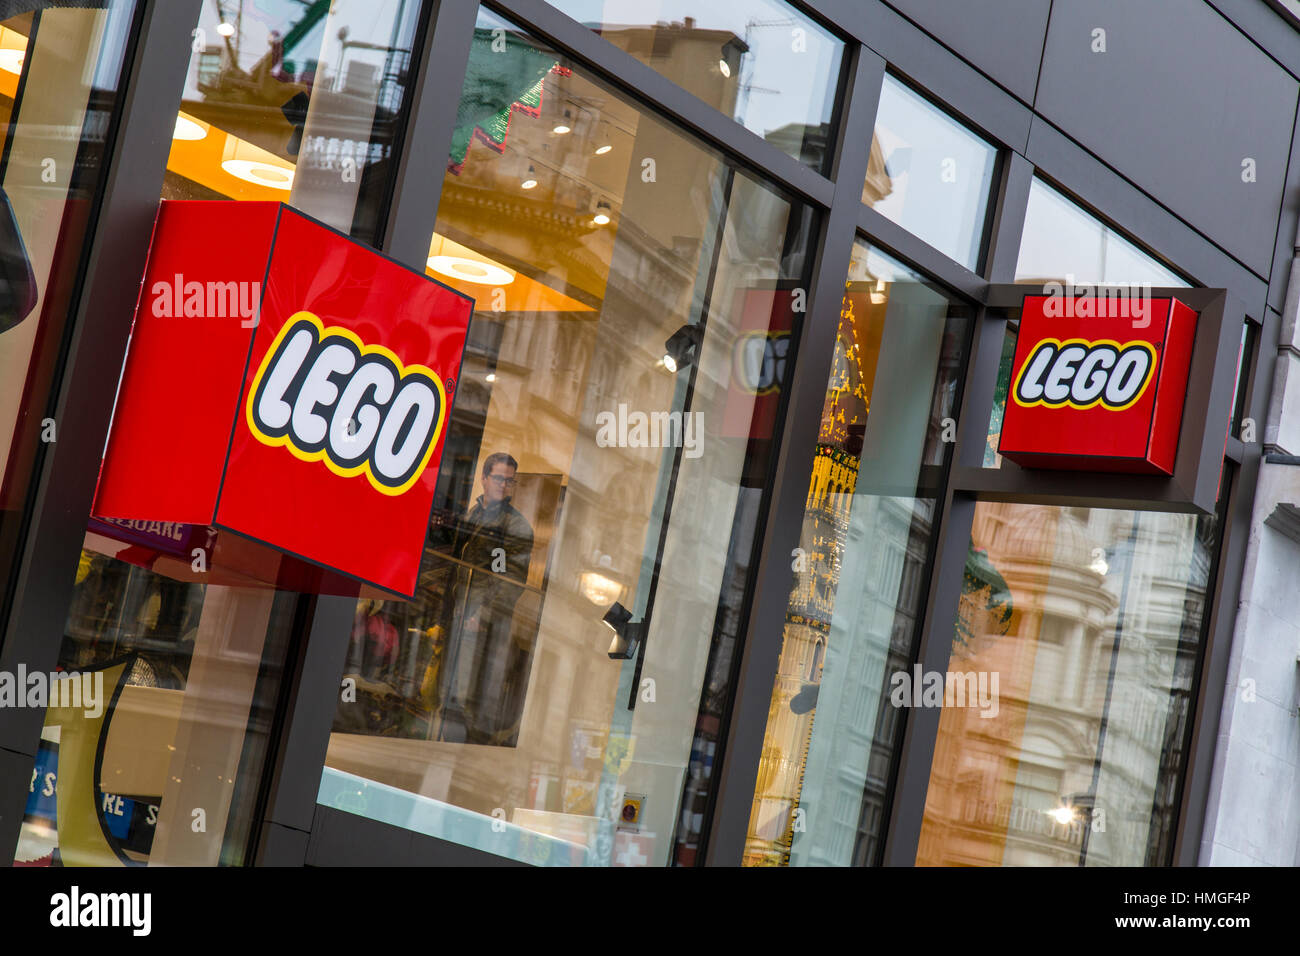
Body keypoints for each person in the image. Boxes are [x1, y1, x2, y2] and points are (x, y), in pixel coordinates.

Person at [434, 452, 534, 743]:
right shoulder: (474, 514)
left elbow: (510, 581)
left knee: (463, 698)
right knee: (445, 690)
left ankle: (454, 756)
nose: (504, 485)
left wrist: (482, 615)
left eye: (509, 481)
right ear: (484, 478)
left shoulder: (515, 526)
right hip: (458, 615)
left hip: (480, 625)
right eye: (499, 478)